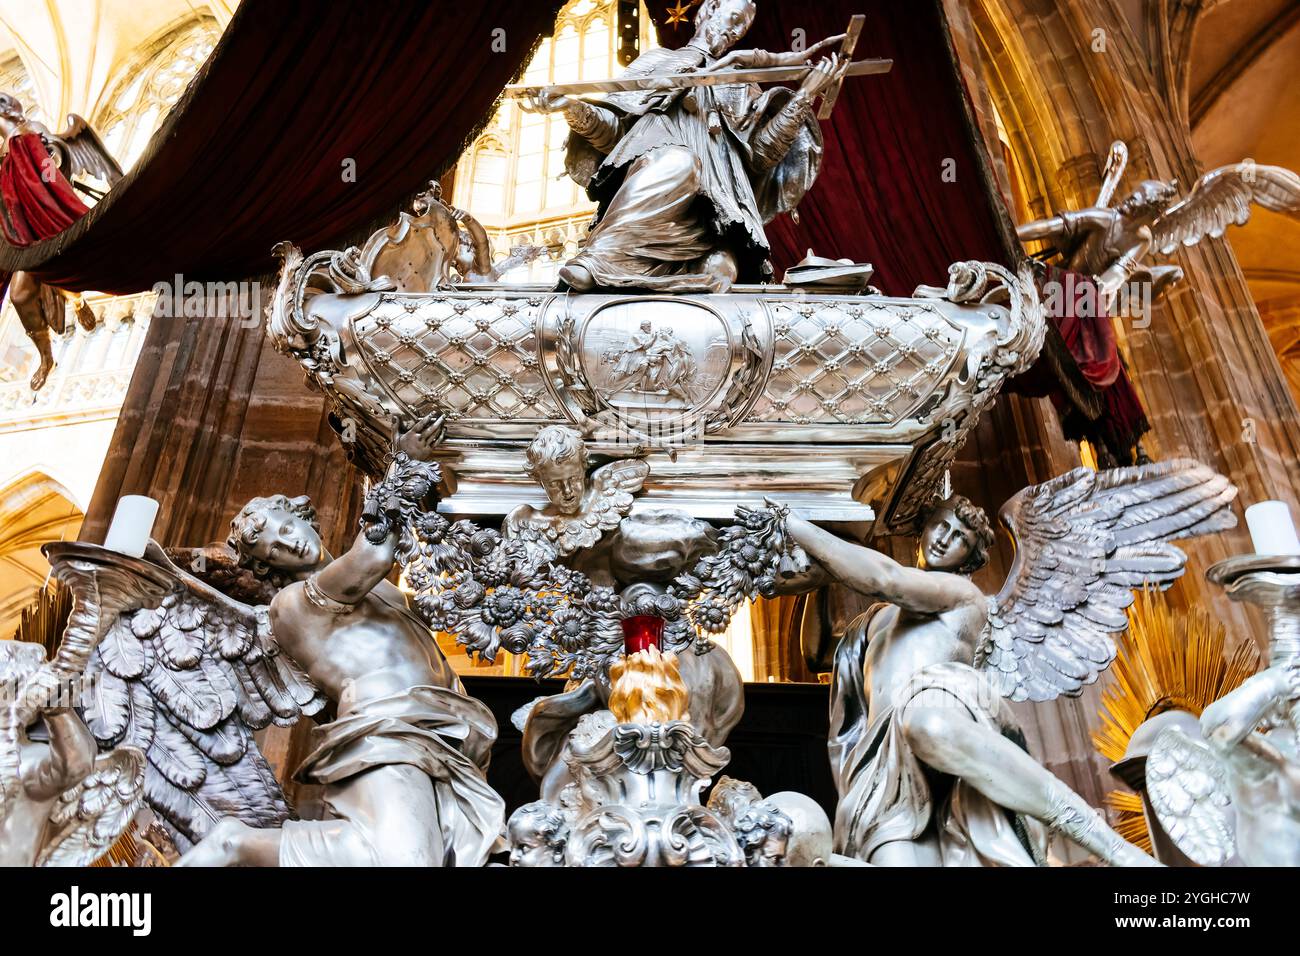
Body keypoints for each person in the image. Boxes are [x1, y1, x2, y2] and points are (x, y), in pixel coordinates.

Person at [178, 415, 505, 867]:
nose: (289, 545)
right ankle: (237, 844)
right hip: (381, 729)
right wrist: (403, 463)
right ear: (269, 567)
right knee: (406, 862)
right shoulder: (291, 606)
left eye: (287, 528)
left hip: (440, 731)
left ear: (304, 517)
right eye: (273, 550)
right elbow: (372, 553)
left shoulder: (385, 591)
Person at [528, 0, 847, 292]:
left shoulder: (741, 82)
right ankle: (601, 258)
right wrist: (571, 107)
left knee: (722, 269)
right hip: (652, 194)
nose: (735, 31)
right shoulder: (656, 62)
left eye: (743, 27)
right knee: (681, 163)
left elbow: (761, 156)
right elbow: (612, 136)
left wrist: (805, 95)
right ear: (708, 10)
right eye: (734, 18)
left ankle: (647, 293)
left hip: (711, 220)